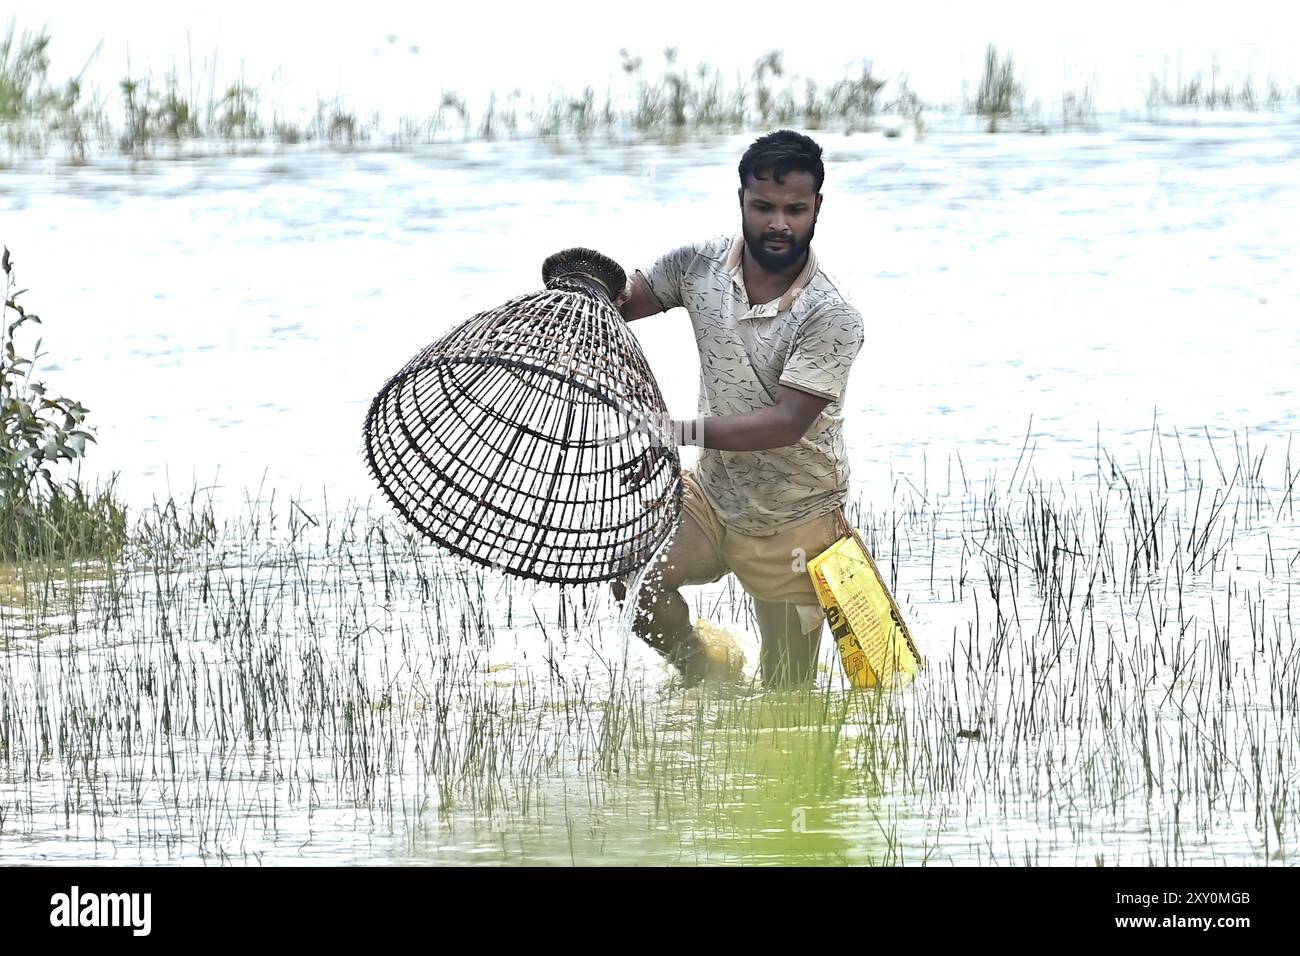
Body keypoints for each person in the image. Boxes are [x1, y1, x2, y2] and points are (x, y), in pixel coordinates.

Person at [614, 129, 864, 687]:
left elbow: (786, 424)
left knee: (787, 689)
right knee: (637, 580)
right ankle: (705, 672)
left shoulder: (832, 316)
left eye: (795, 209)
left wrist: (673, 430)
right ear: (742, 200)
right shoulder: (696, 267)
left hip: (796, 516)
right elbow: (626, 301)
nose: (779, 223)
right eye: (764, 206)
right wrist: (588, 284)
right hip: (713, 495)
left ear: (816, 208)